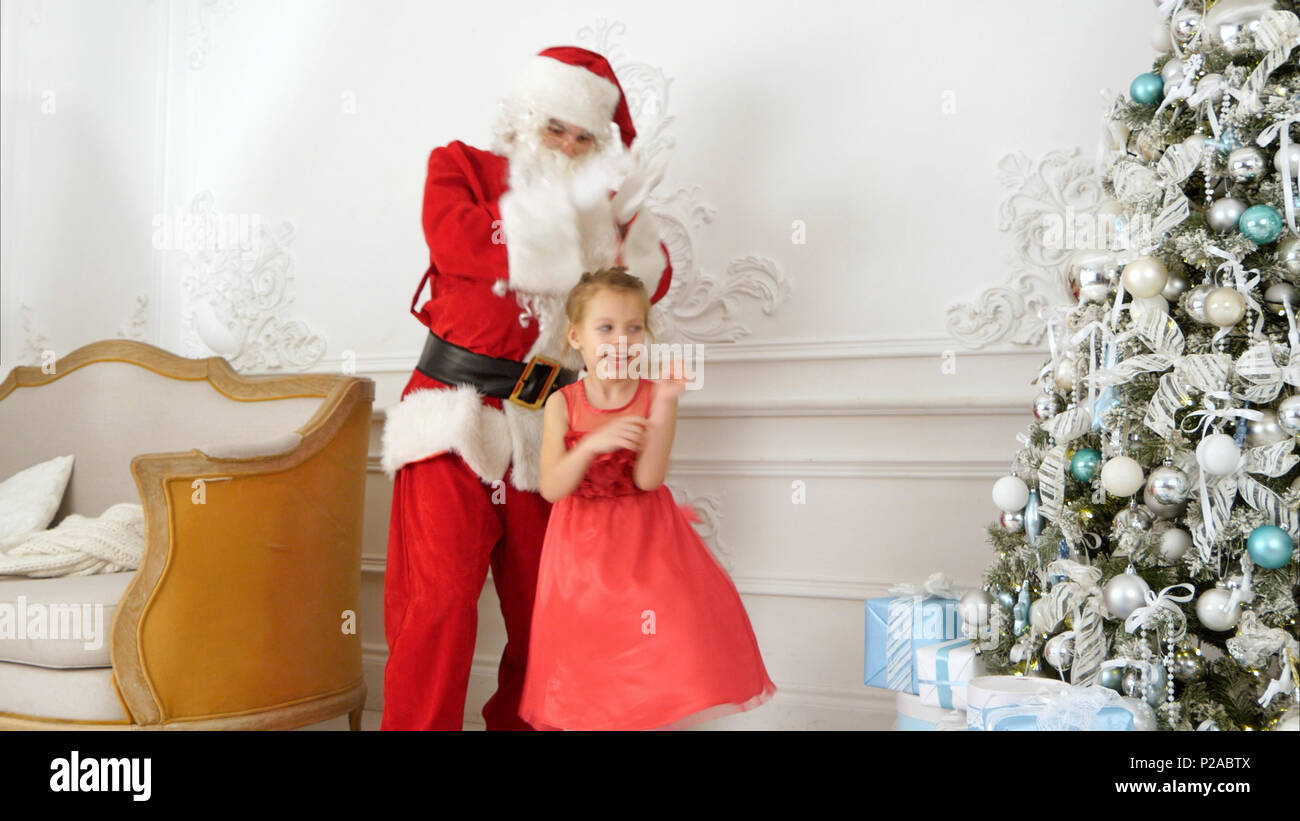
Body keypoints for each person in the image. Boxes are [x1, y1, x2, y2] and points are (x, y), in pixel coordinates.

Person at [379, 46, 673, 730]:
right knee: (439, 604)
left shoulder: (595, 210)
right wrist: (580, 225)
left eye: (583, 137)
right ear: (523, 119)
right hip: (450, 414)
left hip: (544, 426)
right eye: (555, 128)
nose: (568, 145)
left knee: (551, 612)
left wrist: (628, 225)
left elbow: (644, 288)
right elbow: (460, 245)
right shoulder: (459, 167)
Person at [518, 267, 777, 730]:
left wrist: (666, 405)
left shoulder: (654, 395)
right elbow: (553, 487)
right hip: (580, 552)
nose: (621, 340)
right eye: (606, 328)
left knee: (652, 646)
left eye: (633, 328)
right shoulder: (564, 402)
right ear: (576, 337)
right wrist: (595, 443)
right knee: (589, 654)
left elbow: (648, 478)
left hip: (644, 542)